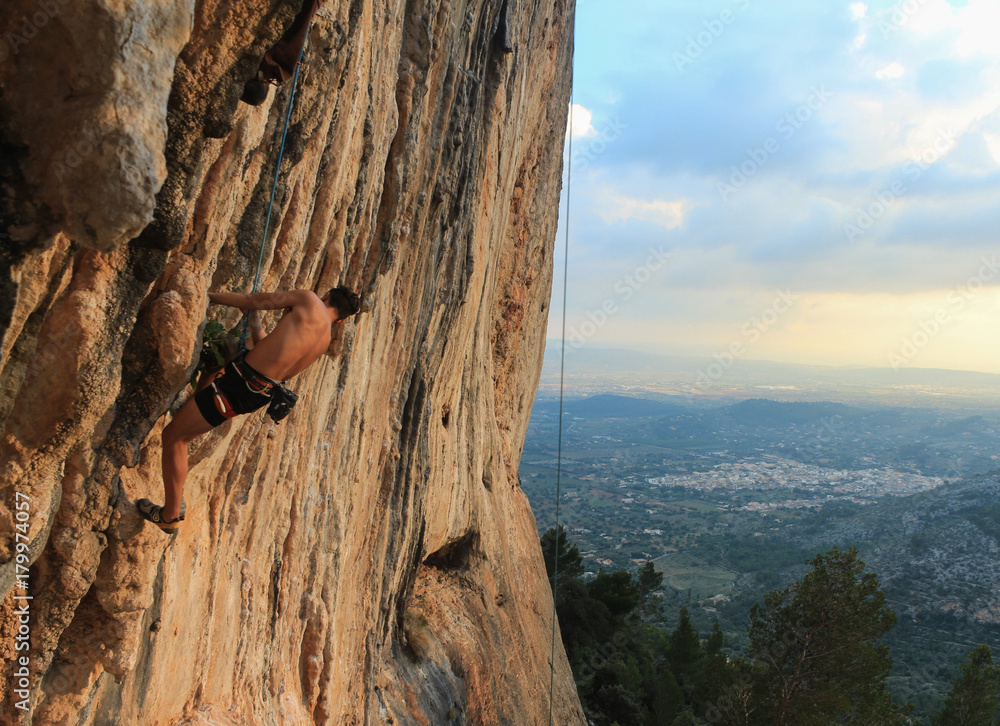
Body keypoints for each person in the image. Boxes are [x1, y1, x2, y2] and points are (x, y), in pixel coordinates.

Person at [137, 286, 361, 533]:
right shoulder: (324, 340)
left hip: (238, 384)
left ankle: (169, 515)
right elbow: (278, 363)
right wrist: (255, 323)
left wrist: (208, 296)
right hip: (255, 394)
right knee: (208, 380)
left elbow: (255, 300)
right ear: (340, 320)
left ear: (326, 295)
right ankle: (175, 498)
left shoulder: (308, 299)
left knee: (174, 438)